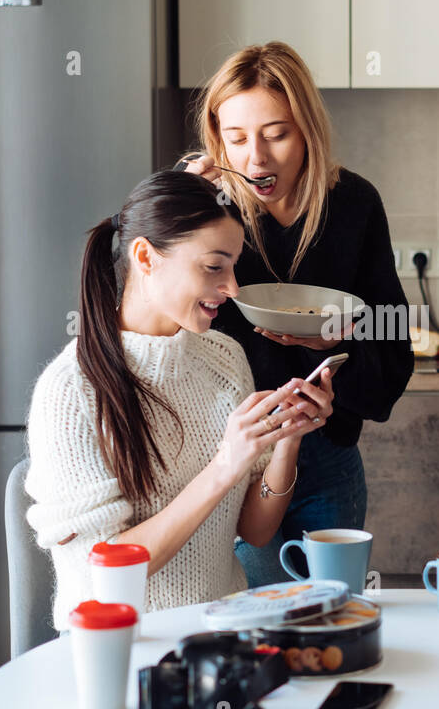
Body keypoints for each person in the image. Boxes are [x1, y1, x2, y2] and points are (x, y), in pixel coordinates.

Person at [24, 171, 335, 631]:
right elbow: (109, 568)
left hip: (222, 635)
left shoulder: (224, 358)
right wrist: (226, 465)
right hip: (124, 651)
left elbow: (255, 530)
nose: (232, 288)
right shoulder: (70, 391)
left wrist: (288, 438)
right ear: (146, 257)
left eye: (233, 267)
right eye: (214, 267)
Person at [182, 42, 413, 586]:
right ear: (218, 140)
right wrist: (183, 213)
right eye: (237, 139)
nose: (256, 159)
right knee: (253, 630)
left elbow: (392, 354)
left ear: (308, 128)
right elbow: (155, 322)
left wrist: (332, 350)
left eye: (277, 133)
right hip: (229, 462)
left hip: (327, 461)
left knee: (329, 623)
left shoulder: (353, 205)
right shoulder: (205, 208)